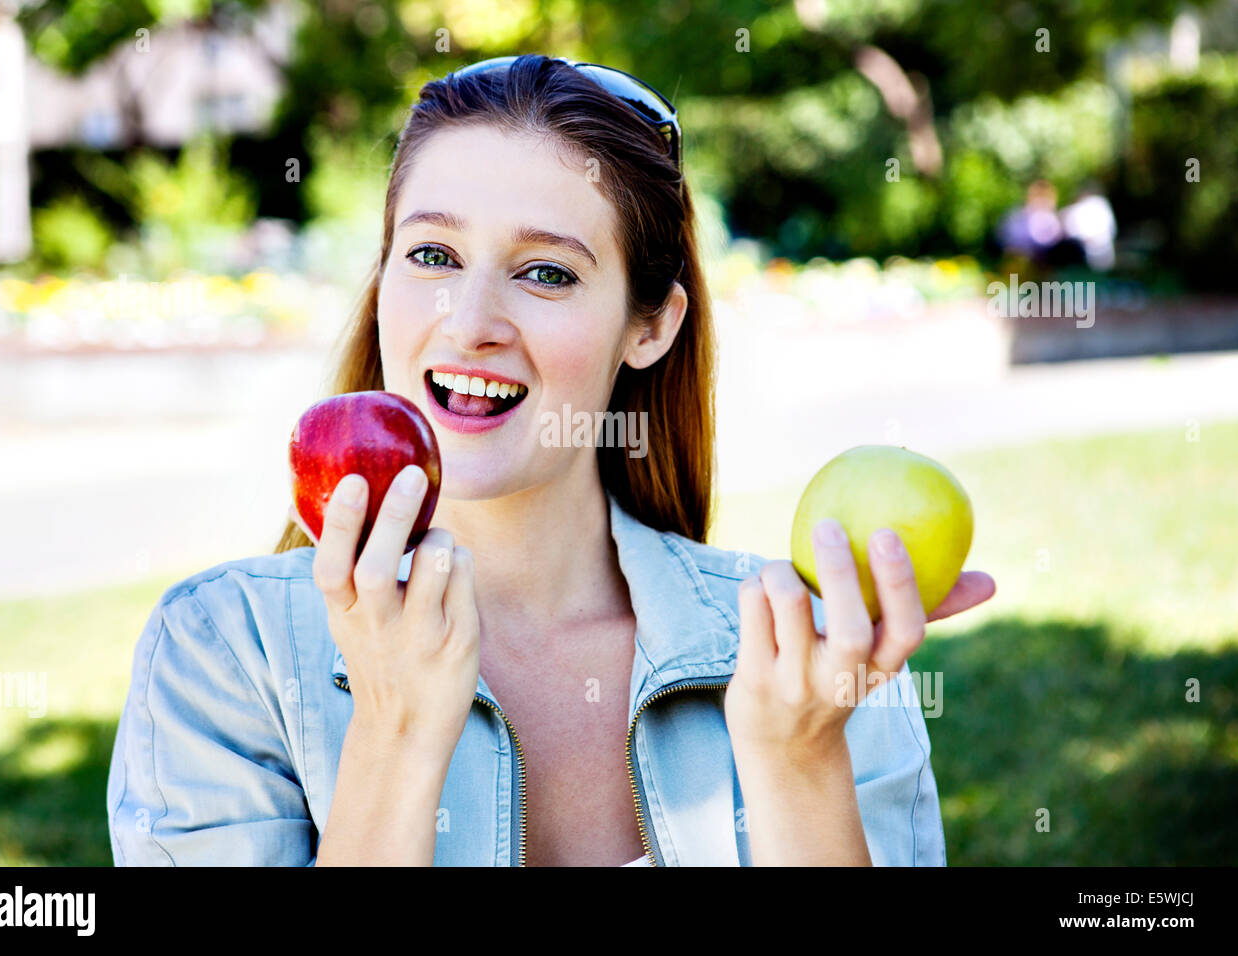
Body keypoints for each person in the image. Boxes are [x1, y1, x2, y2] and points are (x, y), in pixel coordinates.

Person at [106, 54, 995, 866]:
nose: (470, 320)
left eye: (546, 273)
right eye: (432, 255)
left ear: (651, 326)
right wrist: (394, 732)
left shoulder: (815, 657)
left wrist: (798, 763)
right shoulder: (227, 654)